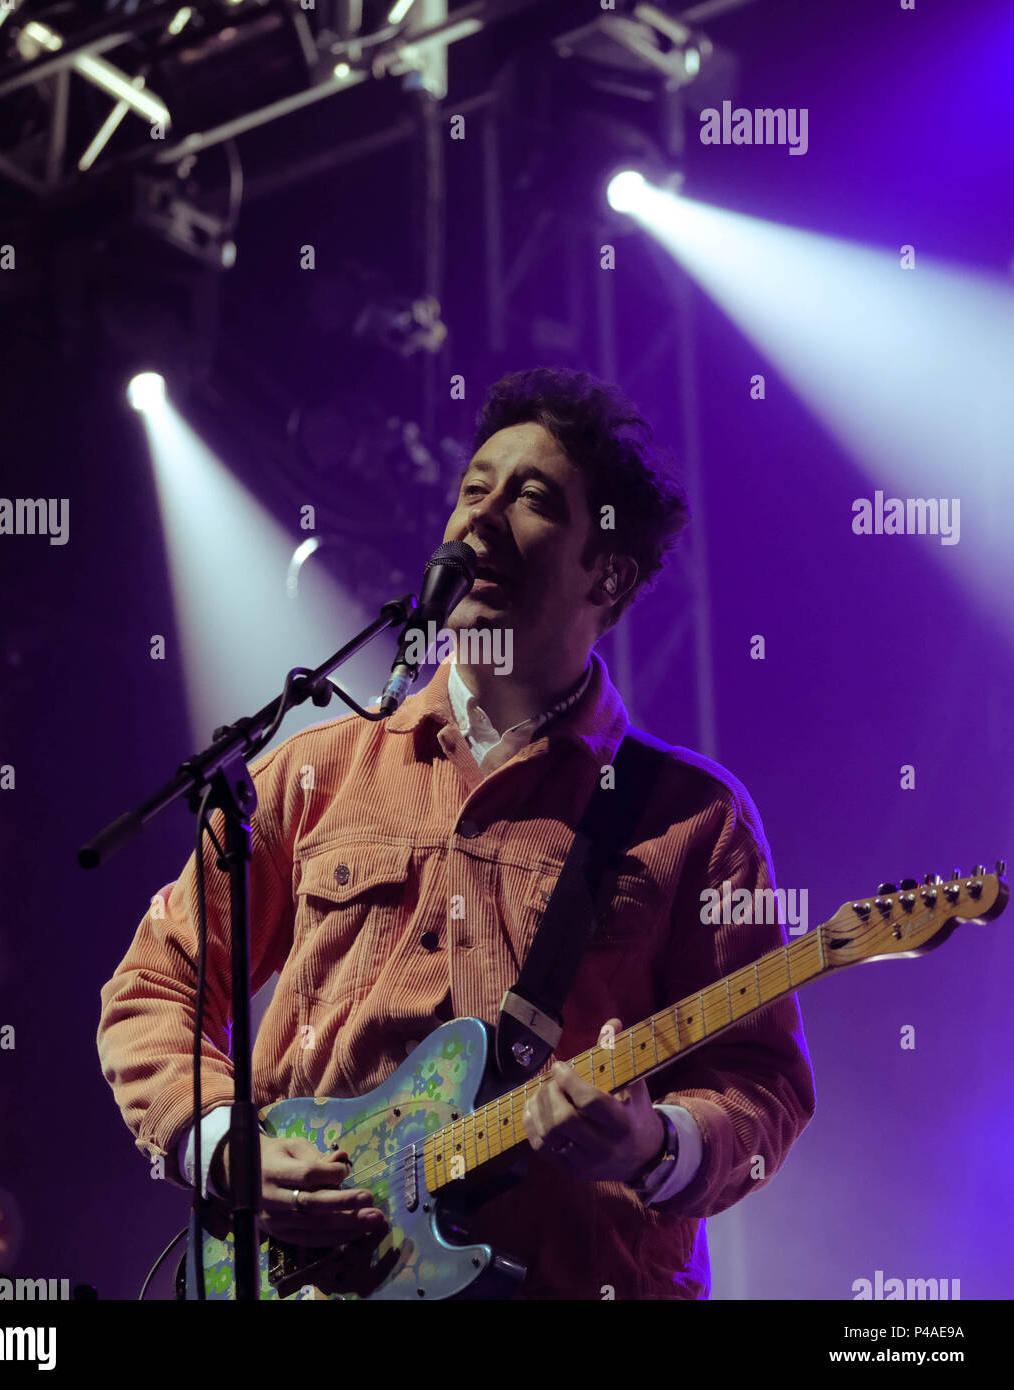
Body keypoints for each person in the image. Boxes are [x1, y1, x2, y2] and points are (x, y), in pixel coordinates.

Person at [97, 366, 816, 1299]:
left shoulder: (691, 818)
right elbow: (157, 983)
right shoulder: (314, 770)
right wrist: (223, 1144)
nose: (479, 517)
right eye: (473, 487)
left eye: (531, 498)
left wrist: (653, 1143)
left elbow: (761, 1081)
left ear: (609, 571)